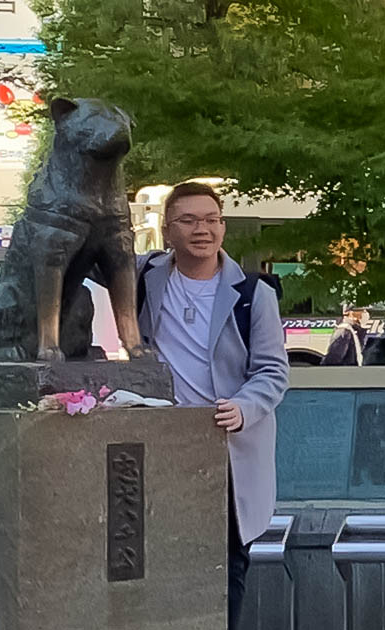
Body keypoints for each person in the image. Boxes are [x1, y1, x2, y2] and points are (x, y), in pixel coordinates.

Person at [135, 181, 290, 630]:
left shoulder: (253, 294)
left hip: (227, 444)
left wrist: (244, 407)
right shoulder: (146, 277)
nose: (202, 230)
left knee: (228, 562)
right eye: (188, 220)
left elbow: (273, 371)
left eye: (211, 220)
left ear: (223, 227)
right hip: (165, 440)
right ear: (167, 230)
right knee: (161, 555)